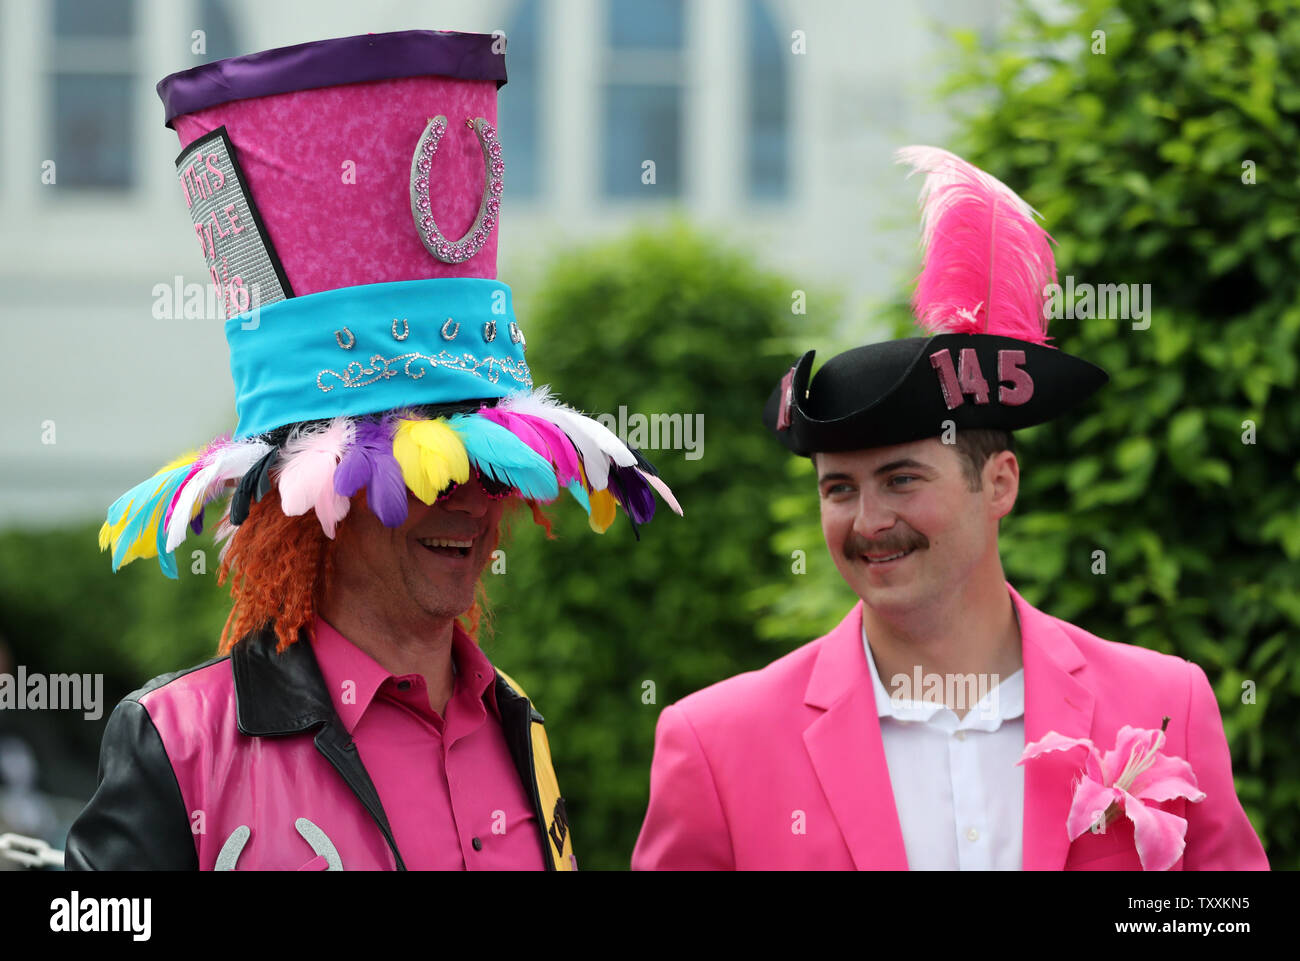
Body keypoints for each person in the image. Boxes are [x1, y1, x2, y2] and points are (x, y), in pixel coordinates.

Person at [64, 29, 679, 871]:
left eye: (489, 465)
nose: (470, 499)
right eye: (430, 464)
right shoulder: (178, 744)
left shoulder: (515, 722)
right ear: (316, 493)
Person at [631, 146, 1267, 871]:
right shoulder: (715, 744)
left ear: (999, 484)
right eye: (839, 488)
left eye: (901, 479)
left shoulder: (1165, 704)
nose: (868, 521)